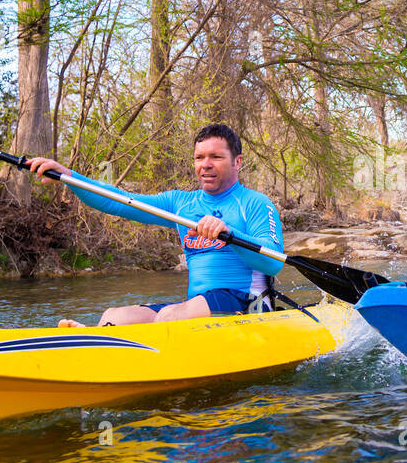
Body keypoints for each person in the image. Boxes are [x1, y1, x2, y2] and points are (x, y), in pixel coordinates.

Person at [26, 123, 283, 327]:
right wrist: (70, 177)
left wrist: (229, 233)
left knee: (171, 317)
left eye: (216, 157)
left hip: (247, 304)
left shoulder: (254, 203)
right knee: (113, 317)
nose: (205, 164)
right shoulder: (180, 203)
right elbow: (119, 202)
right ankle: (101, 342)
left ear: (237, 162)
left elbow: (273, 261)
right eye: (199, 157)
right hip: (196, 307)